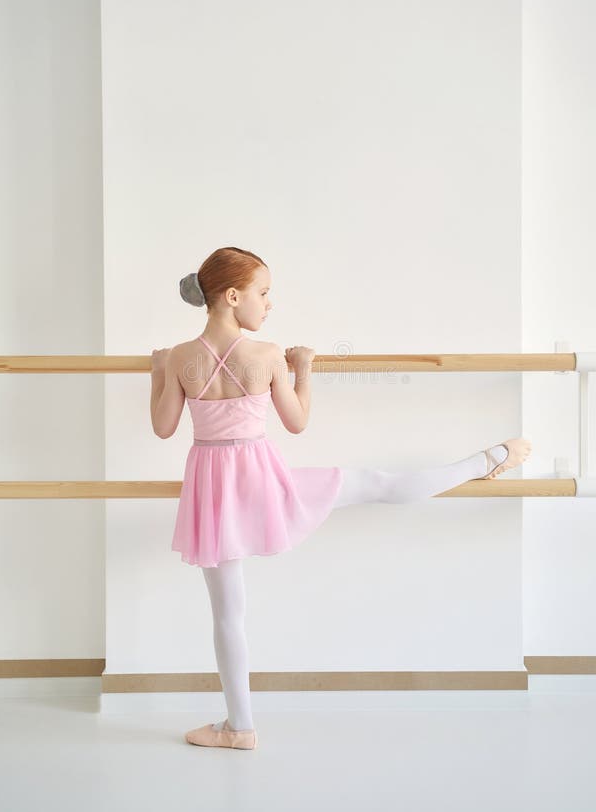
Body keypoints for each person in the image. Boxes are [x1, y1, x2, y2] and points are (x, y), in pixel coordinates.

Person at [150, 246, 532, 751]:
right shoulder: (265, 355)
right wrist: (304, 368)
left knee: (227, 613)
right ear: (233, 295)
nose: (269, 304)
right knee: (375, 483)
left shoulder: (181, 357)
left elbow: (162, 428)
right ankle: (485, 462)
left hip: (211, 490)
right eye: (264, 293)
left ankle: (240, 728)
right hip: (262, 482)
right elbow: (297, 423)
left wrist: (158, 371)